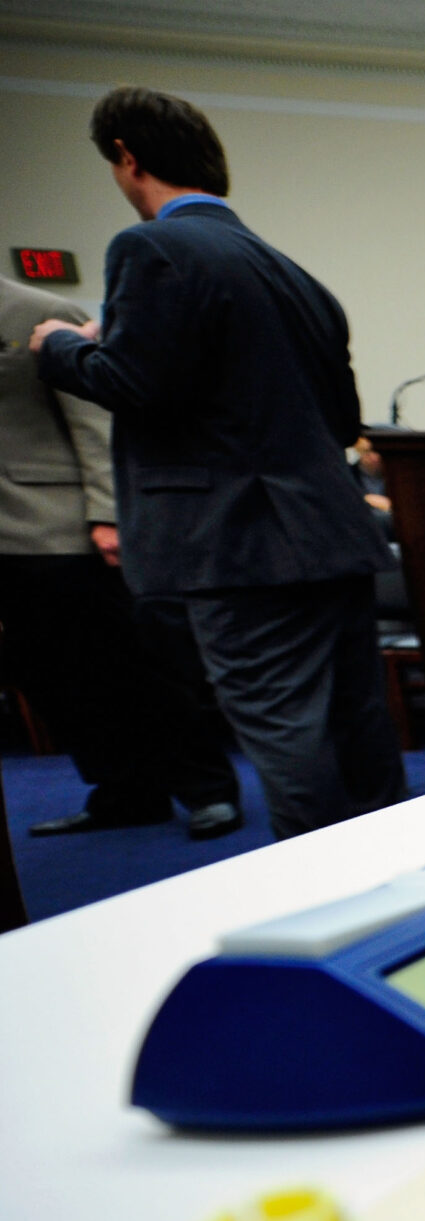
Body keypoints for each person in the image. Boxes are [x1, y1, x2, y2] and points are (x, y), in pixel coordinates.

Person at [33, 86, 404, 840]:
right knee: (355, 719)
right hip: (328, 527)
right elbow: (341, 421)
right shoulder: (299, 276)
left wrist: (61, 347)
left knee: (279, 719)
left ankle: (321, 890)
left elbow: (134, 383)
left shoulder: (149, 248)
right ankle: (398, 866)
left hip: (238, 540)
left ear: (126, 158)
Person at [1, 271, 241, 838]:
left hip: (56, 523)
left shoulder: (35, 307)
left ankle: (208, 789)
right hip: (4, 540)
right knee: (47, 674)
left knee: (132, 665)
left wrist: (107, 513)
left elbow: (93, 420)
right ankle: (125, 790)